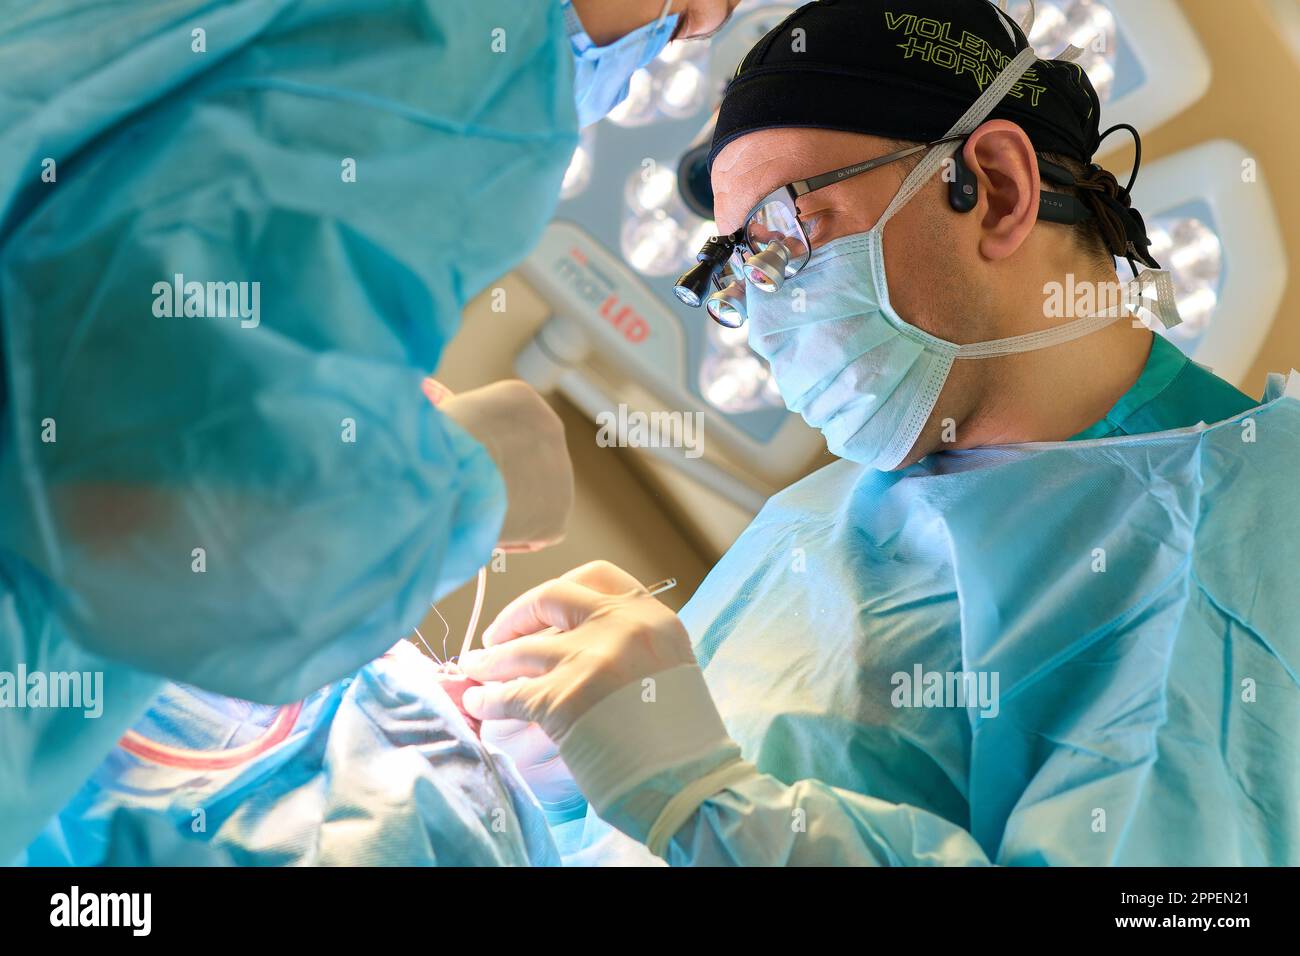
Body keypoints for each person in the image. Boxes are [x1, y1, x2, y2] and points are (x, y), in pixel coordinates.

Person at [458, 0, 1300, 865]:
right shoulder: (839, 507)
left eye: (784, 235)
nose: (760, 313)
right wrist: (585, 788)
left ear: (998, 189)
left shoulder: (1242, 545)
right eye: (734, 271)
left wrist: (699, 802)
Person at [0, 0, 743, 864]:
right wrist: (452, 490)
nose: (685, 36)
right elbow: (169, 512)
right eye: (696, 11)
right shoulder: (448, 60)